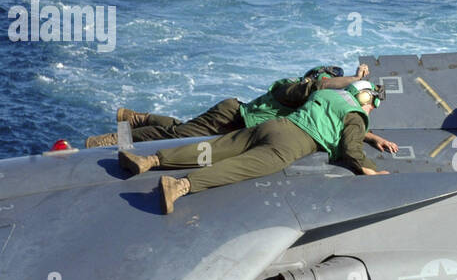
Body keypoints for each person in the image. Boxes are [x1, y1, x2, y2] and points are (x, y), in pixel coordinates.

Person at [119, 79, 388, 214]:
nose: (369, 109)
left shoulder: (326, 94)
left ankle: (150, 160)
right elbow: (352, 148)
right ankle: (180, 186)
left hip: (273, 125)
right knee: (239, 168)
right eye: (371, 104)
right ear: (365, 100)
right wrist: (371, 171)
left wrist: (369, 135)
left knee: (213, 148)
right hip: (292, 145)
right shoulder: (357, 115)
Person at [87, 64, 399, 155]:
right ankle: (112, 138)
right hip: (232, 117)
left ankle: (136, 117)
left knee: (182, 130)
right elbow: (319, 88)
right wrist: (355, 80)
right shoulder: (292, 87)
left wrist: (371, 138)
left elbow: (334, 115)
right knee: (178, 137)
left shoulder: (312, 98)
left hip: (235, 121)